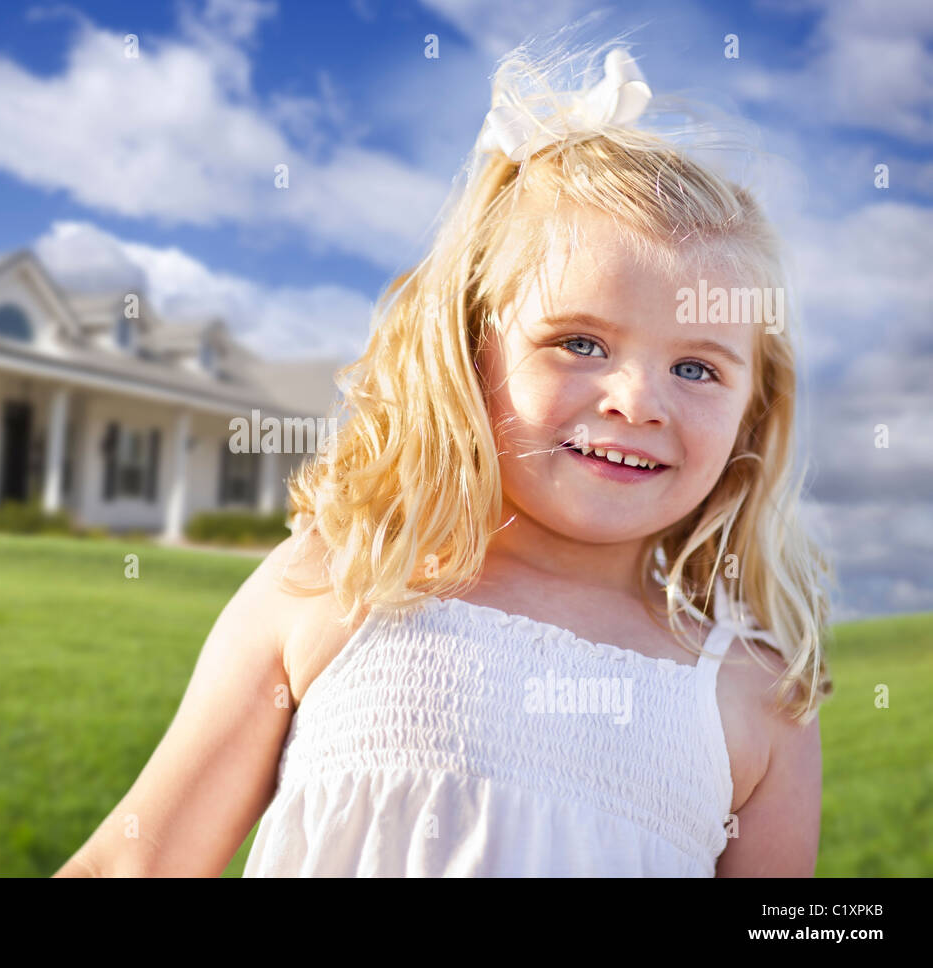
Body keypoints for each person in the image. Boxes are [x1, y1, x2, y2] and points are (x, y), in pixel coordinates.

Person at [54, 42, 833, 878]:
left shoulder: (756, 696)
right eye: (579, 342)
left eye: (697, 369)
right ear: (469, 350)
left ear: (754, 408)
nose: (637, 402)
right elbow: (130, 865)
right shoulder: (343, 583)